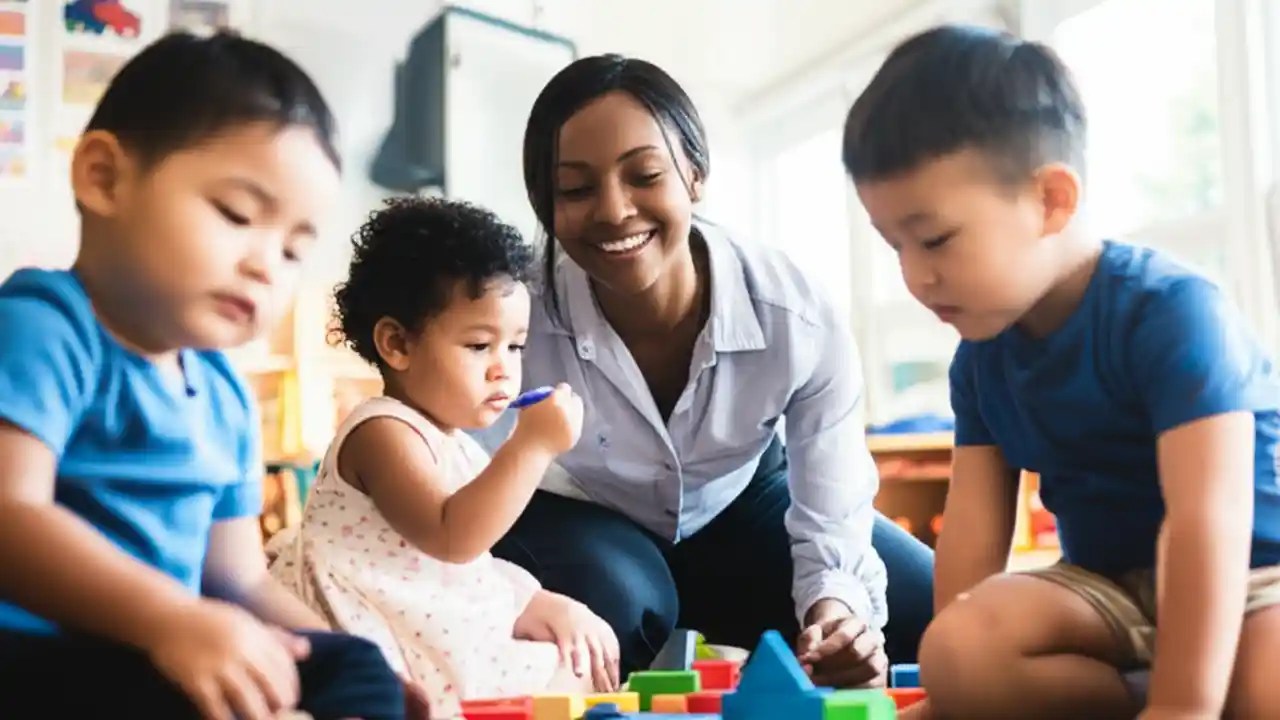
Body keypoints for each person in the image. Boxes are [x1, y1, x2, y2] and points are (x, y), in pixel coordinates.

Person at [843, 24, 1280, 719]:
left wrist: (1183, 708)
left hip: (1253, 575)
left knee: (1261, 693)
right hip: (1106, 592)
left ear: (1051, 200)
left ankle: (1178, 695)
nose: (915, 276)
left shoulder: (1172, 311)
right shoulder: (981, 356)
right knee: (959, 649)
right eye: (894, 245)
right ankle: (1147, 693)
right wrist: (951, 690)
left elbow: (1209, 523)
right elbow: (972, 535)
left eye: (934, 240)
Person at [473, 53, 936, 686]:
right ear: (545, 205)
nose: (613, 211)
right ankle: (688, 631)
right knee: (615, 606)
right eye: (575, 189)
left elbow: (833, 503)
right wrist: (516, 594)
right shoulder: (516, 311)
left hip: (744, 501)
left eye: (644, 174)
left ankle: (709, 631)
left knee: (928, 613)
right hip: (588, 518)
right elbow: (453, 473)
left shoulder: (794, 314)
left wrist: (836, 613)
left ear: (694, 174)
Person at [0, 32, 414, 720]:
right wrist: (167, 619)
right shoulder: (45, 325)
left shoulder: (222, 395)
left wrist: (314, 653)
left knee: (353, 664)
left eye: (292, 250)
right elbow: (10, 514)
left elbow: (238, 577)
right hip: (35, 655)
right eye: (237, 215)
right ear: (104, 177)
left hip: (164, 648)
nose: (266, 265)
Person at [268, 197, 620, 717]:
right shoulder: (382, 431)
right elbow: (454, 537)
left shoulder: (451, 439)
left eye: (515, 347)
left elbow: (472, 567)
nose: (503, 369)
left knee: (580, 658)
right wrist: (532, 445)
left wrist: (538, 603)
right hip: (373, 626)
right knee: (548, 688)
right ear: (396, 344)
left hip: (427, 614)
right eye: (480, 346)